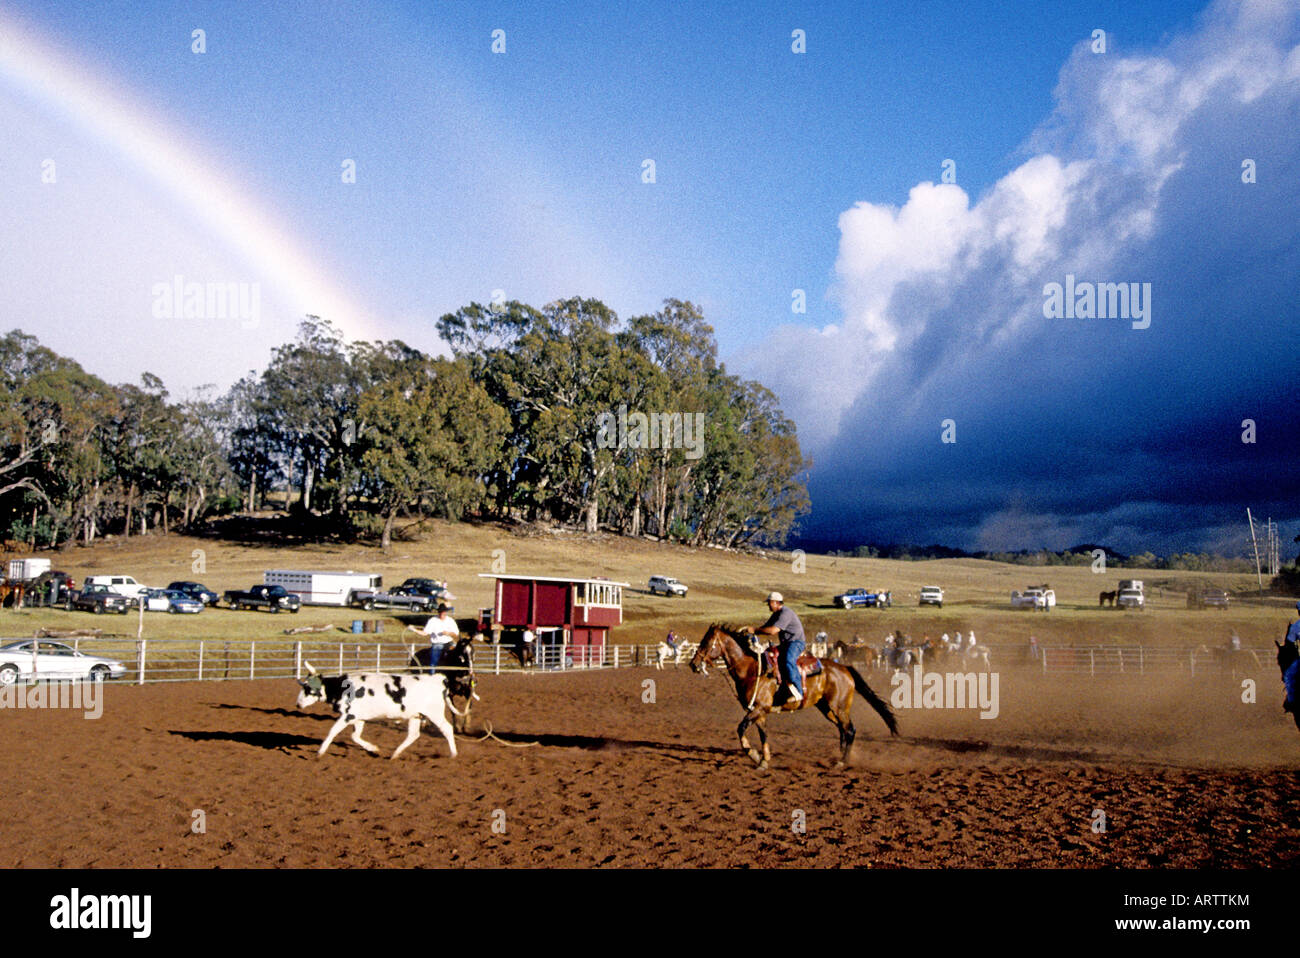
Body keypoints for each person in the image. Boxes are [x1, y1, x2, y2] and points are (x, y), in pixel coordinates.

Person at [752, 591, 806, 704]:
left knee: (788, 660)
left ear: (776, 602)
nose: (768, 605)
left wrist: (755, 630)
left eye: (769, 603)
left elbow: (773, 630)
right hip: (786, 643)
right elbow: (765, 627)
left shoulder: (785, 613)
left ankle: (798, 691)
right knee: (770, 657)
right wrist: (752, 632)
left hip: (796, 642)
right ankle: (783, 686)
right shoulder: (776, 614)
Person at [408, 603, 459, 674]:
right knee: (434, 658)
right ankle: (432, 673)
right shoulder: (433, 621)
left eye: (443, 612)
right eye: (440, 612)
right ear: (438, 612)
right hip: (437, 643)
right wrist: (414, 629)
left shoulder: (450, 621)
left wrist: (448, 633)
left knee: (460, 653)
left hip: (449, 643)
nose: (441, 614)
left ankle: (462, 671)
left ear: (446, 612)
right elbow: (425, 633)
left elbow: (456, 634)